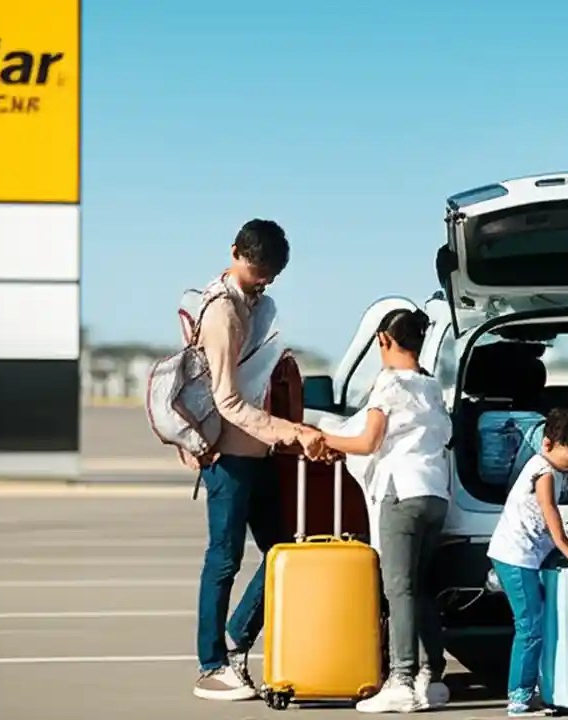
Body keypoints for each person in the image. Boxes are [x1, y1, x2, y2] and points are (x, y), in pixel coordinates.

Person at [193, 219, 327, 701]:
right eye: (257, 269)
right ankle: (211, 665)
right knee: (224, 559)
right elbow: (226, 399)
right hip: (230, 455)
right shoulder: (223, 313)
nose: (264, 279)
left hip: (257, 450)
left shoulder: (254, 305)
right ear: (235, 253)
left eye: (271, 272)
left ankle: (233, 639)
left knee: (284, 551)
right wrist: (292, 432)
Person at [319, 308, 453, 714]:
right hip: (435, 495)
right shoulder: (431, 387)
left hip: (402, 494)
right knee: (422, 586)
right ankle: (433, 677)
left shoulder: (388, 384)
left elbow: (367, 442)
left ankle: (401, 680)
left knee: (398, 588)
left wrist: (321, 436)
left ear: (383, 341)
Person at [486, 404, 568, 717]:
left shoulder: (556, 469)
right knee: (530, 625)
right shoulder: (545, 470)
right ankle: (519, 697)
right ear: (549, 445)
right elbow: (549, 510)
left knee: (541, 620)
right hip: (515, 556)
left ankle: (538, 687)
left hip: (528, 554)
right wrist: (565, 547)